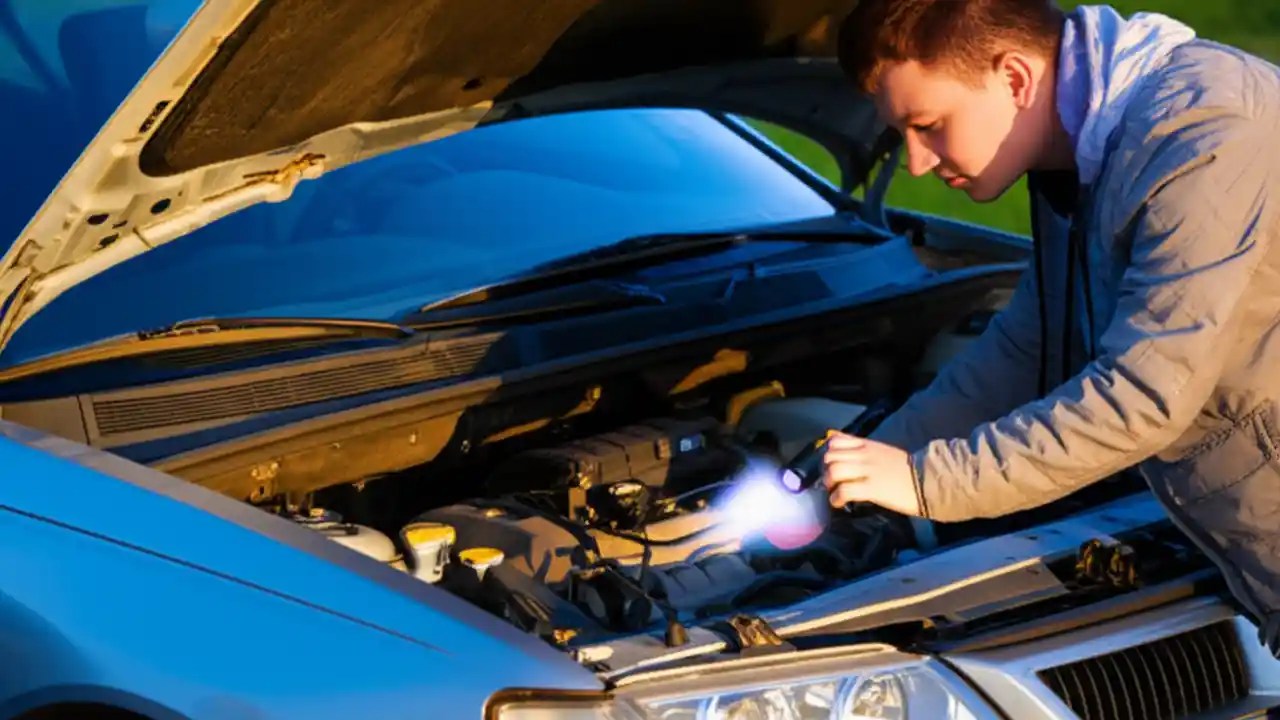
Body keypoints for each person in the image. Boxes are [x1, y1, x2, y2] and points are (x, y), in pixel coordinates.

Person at [821, 0, 1280, 654]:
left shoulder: (1203, 135)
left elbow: (1141, 399)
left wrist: (927, 481)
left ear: (1014, 78)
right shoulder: (1096, 154)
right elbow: (1024, 348)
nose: (917, 163)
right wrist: (867, 471)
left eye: (929, 125)